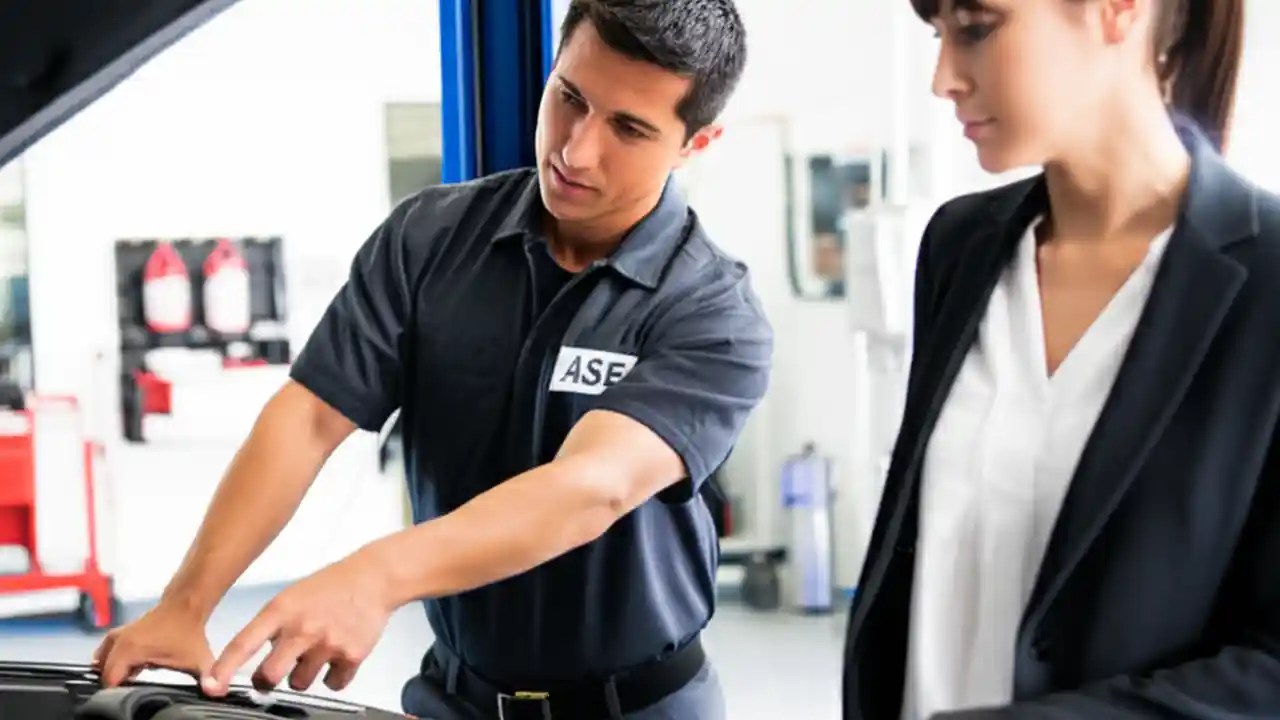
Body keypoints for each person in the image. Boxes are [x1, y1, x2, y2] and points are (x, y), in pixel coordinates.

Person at [92, 1, 769, 718]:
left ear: (696, 142)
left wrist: (376, 576)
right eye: (569, 98)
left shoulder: (713, 314)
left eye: (628, 128)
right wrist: (185, 604)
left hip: (638, 708)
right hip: (455, 698)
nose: (576, 149)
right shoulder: (430, 240)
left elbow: (588, 488)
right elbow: (310, 418)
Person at [842, 0, 1280, 718]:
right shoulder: (959, 248)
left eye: (977, 28)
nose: (943, 77)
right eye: (936, 35)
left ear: (1116, 11)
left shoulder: (1264, 284)